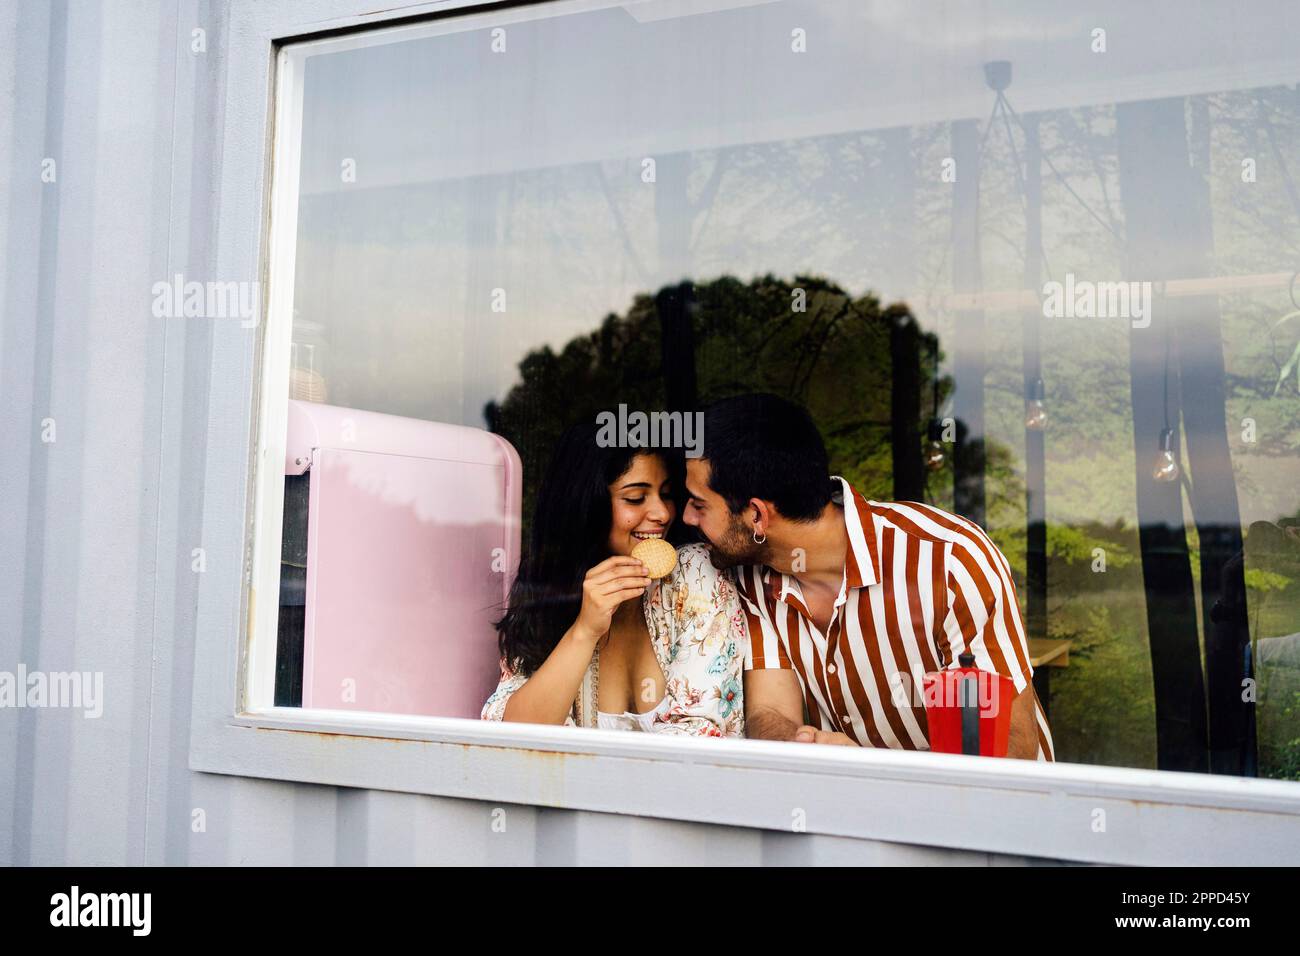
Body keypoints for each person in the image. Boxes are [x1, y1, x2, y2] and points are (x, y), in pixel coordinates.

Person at [681, 393, 1054, 760]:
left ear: (757, 516)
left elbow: (1008, 749)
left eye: (699, 505)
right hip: (858, 811)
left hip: (989, 812)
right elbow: (771, 712)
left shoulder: (949, 561)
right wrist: (804, 746)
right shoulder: (750, 578)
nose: (686, 518)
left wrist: (870, 769)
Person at [481, 422, 746, 736]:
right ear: (586, 505)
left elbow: (702, 732)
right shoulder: (549, 600)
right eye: (635, 499)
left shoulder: (695, 575)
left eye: (666, 495)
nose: (662, 513)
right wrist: (584, 630)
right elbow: (513, 736)